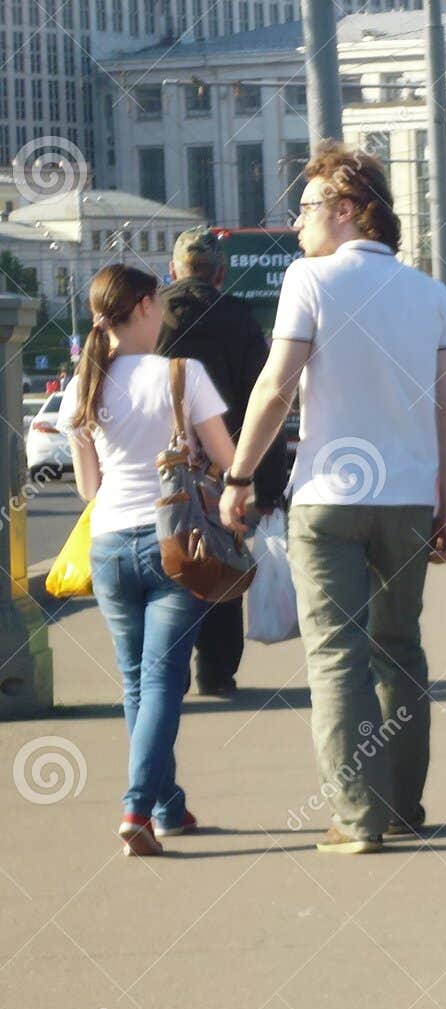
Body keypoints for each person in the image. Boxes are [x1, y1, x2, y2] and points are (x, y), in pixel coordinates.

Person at [220, 142, 446, 855]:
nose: (297, 223)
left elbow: (276, 387)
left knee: (336, 656)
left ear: (350, 209)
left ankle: (358, 819)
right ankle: (403, 807)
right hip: (408, 502)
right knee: (400, 650)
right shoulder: (431, 294)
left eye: (307, 207)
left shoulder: (310, 279)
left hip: (327, 500)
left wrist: (239, 477)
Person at [62, 264, 236, 857]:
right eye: (157, 303)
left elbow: (88, 488)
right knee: (162, 680)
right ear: (141, 306)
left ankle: (166, 806)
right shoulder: (181, 375)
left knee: (137, 682)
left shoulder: (82, 386)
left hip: (109, 544)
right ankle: (137, 808)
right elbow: (227, 459)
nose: (161, 312)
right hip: (174, 545)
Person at [157, 225, 286, 696]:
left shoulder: (151, 316)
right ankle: (216, 671)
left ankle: (166, 676)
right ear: (221, 273)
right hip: (225, 471)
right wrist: (268, 488)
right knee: (220, 562)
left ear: (173, 270)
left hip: (161, 470)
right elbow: (265, 403)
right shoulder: (240, 320)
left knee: (168, 566)